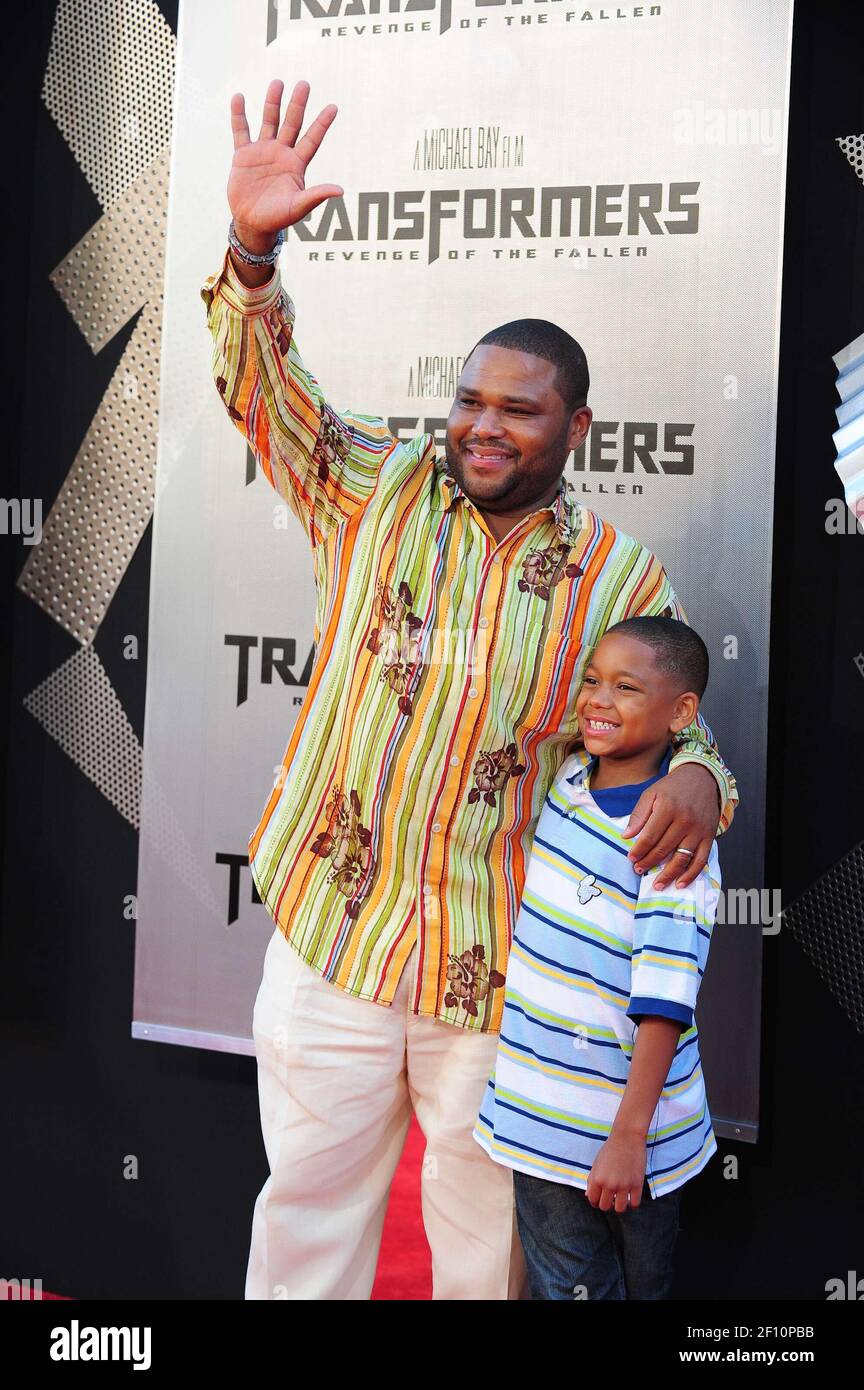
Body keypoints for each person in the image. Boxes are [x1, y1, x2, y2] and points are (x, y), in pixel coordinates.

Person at [200, 76, 739, 1300]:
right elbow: (265, 398)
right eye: (469, 401)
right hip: (335, 937)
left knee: (481, 1253)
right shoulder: (375, 489)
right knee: (306, 1227)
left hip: (498, 980)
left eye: (519, 410)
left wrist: (705, 784)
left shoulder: (618, 575)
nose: (483, 427)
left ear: (578, 428)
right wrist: (250, 253)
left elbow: (677, 728)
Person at [473, 616, 722, 1300]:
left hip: (628, 1136)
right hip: (536, 1125)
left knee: (640, 1288)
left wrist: (628, 1138)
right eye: (591, 680)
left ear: (682, 713)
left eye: (626, 687)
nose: (598, 700)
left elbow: (665, 1000)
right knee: (566, 1287)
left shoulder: (672, 832)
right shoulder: (567, 778)